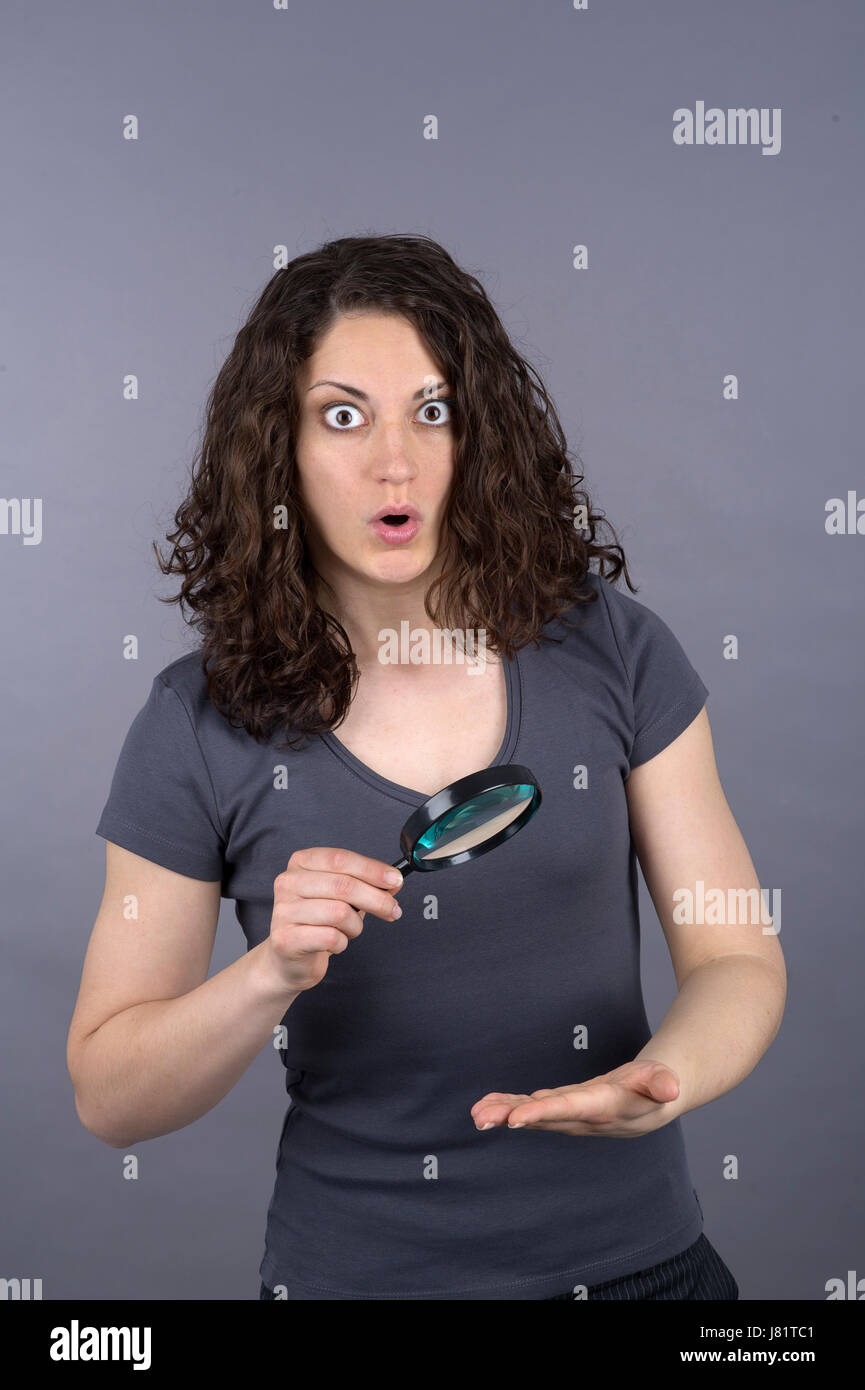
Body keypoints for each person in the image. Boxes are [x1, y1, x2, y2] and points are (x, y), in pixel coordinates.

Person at [67, 233, 786, 1301]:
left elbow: (737, 956)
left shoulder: (613, 650)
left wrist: (664, 1077)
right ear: (278, 450)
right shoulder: (193, 722)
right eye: (344, 415)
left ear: (477, 439)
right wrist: (265, 975)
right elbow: (110, 1094)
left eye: (433, 411)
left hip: (648, 1276)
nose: (392, 461)